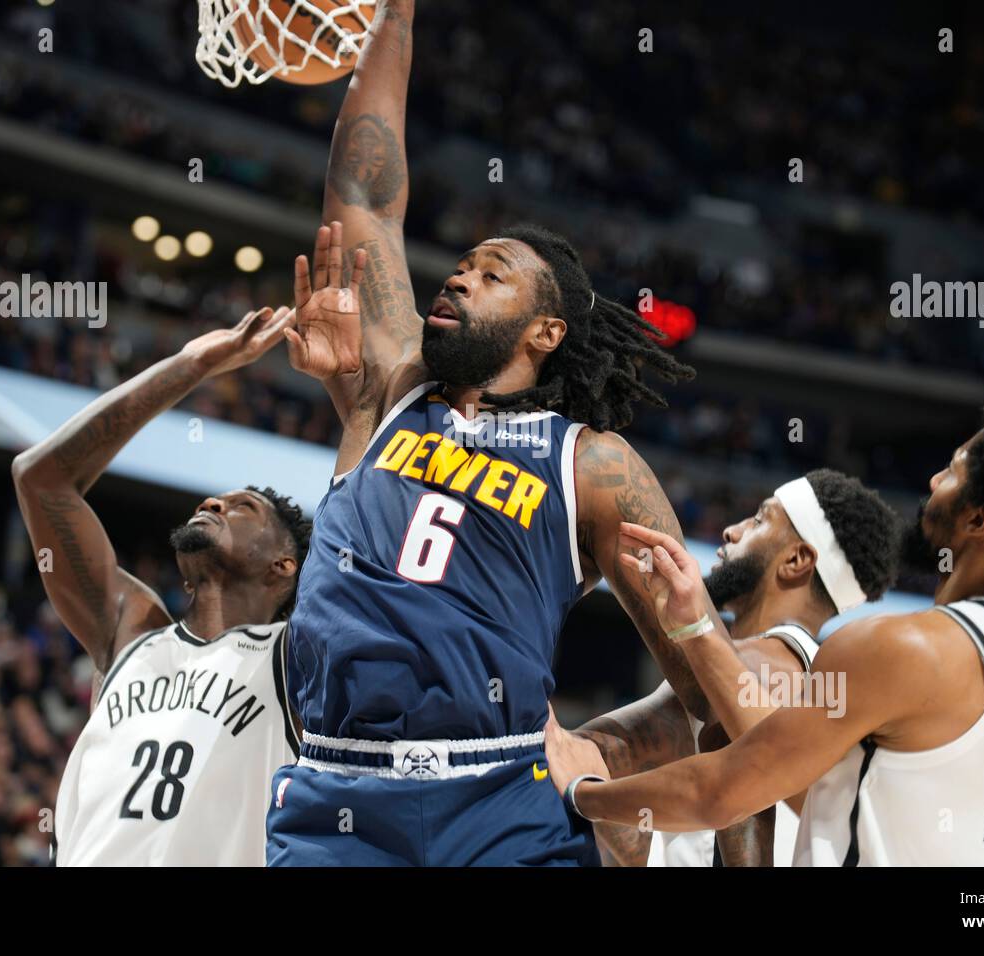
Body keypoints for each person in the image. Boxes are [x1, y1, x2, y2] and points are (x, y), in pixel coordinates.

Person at [266, 0, 738, 866]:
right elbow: (365, 194)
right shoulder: (391, 389)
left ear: (545, 333)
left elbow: (714, 695)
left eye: (493, 275)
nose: (456, 278)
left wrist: (605, 758)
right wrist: (393, 15)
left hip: (496, 801)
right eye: (460, 266)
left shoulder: (591, 465)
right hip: (335, 795)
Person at [547, 379, 984, 866]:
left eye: (956, 469)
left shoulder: (907, 647)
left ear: (981, 520)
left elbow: (726, 789)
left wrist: (585, 794)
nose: (935, 479)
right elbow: (816, 774)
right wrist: (695, 628)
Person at [11, 236, 358, 864]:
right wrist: (190, 365)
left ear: (286, 566)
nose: (213, 504)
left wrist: (355, 391)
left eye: (242, 507)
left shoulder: (298, 656)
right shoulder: (132, 630)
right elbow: (42, 479)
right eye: (213, 501)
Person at [576, 470, 899, 866]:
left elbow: (600, 759)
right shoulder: (823, 683)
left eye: (760, 520)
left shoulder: (749, 664)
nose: (731, 531)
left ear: (796, 560)